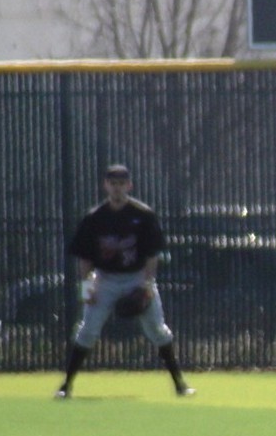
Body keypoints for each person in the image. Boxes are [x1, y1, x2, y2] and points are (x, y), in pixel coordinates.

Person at [55, 164, 195, 399]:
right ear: (105, 186)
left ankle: (180, 384)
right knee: (87, 331)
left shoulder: (143, 215)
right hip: (105, 279)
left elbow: (152, 254)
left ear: (129, 186)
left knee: (158, 330)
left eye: (121, 184)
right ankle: (66, 386)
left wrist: (147, 285)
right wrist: (87, 288)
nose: (117, 188)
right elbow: (85, 257)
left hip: (137, 277)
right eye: (113, 184)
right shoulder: (94, 218)